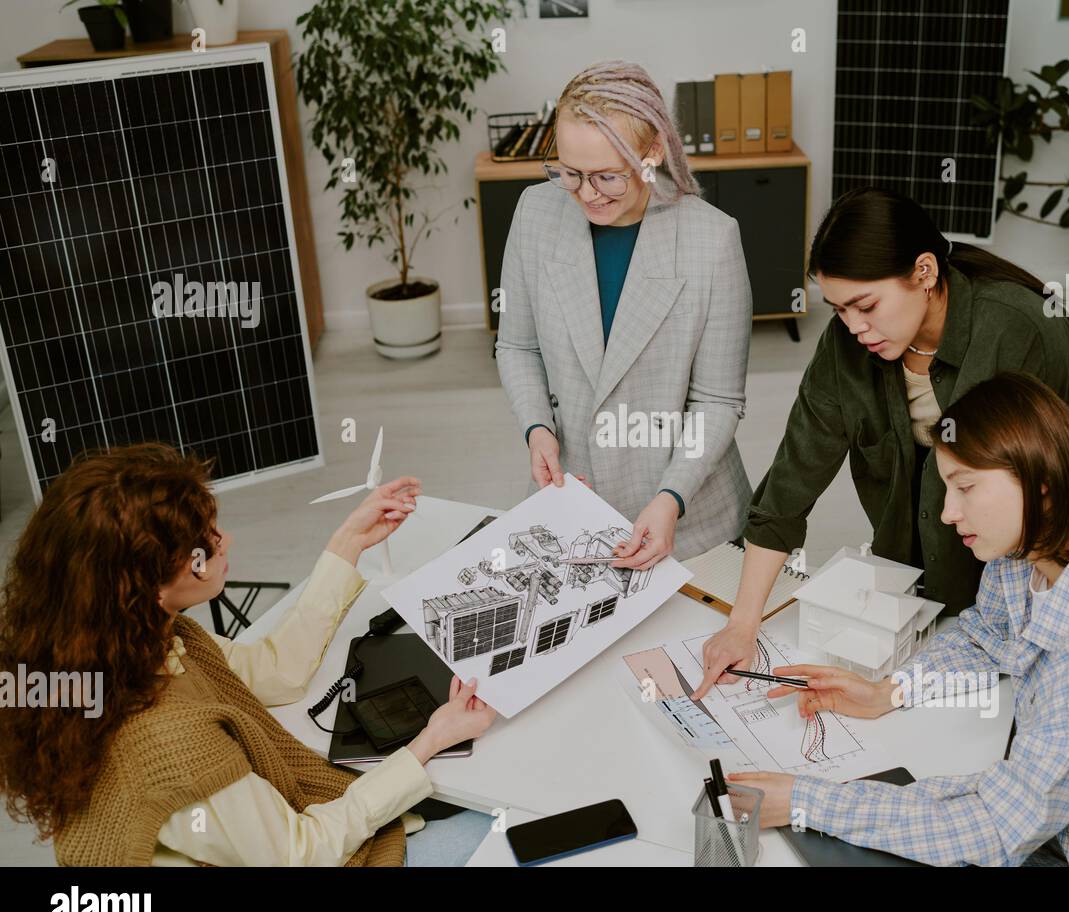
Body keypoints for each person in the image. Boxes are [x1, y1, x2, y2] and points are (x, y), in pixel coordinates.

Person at [726, 372, 1069, 866]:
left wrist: (806, 802)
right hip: (1061, 822)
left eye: (965, 488)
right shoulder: (1049, 535)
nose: (949, 513)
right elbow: (987, 634)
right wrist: (891, 691)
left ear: (1040, 482)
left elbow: (996, 829)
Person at [0, 444, 495, 866]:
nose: (224, 542)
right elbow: (302, 852)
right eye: (203, 546)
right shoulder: (170, 743)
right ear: (147, 586)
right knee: (501, 831)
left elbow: (275, 672)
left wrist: (349, 543)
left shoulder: (127, 641)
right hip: (303, 851)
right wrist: (432, 740)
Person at [695, 186, 1069, 696]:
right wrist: (742, 625)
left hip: (1003, 590)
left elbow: (1040, 494)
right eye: (838, 310)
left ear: (924, 272)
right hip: (903, 583)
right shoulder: (846, 348)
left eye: (866, 305)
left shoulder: (1024, 332)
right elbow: (789, 487)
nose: (854, 327)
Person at [496, 60, 753, 568]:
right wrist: (537, 428)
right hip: (572, 501)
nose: (586, 193)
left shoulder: (712, 239)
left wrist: (670, 497)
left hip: (690, 516)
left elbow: (718, 401)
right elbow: (518, 345)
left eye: (607, 176)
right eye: (569, 173)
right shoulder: (535, 213)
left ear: (652, 152)